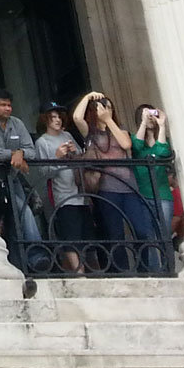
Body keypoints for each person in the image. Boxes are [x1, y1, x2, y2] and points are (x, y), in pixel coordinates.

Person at [75, 91, 154, 271]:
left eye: (109, 107)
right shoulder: (91, 133)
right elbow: (77, 117)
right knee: (115, 233)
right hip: (107, 189)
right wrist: (87, 97)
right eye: (103, 108)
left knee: (140, 230)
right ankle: (122, 271)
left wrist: (109, 120)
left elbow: (126, 144)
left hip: (129, 188)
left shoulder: (121, 129)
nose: (106, 111)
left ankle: (144, 269)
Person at [0, 88, 42, 260]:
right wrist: (13, 154)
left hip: (12, 177)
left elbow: (31, 151)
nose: (7, 109)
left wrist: (21, 153)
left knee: (22, 212)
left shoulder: (16, 123)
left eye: (9, 105)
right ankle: (36, 255)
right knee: (17, 212)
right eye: (3, 105)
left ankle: (32, 257)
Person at [33, 105, 87, 273]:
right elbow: (43, 172)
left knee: (85, 233)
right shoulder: (42, 142)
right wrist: (56, 157)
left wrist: (74, 151)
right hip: (61, 195)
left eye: (59, 117)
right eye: (53, 117)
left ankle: (93, 269)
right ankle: (79, 273)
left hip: (80, 192)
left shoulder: (68, 135)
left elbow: (81, 158)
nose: (57, 120)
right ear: (45, 119)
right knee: (69, 235)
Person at [130, 104, 174, 269]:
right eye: (145, 115)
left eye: (151, 114)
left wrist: (161, 125)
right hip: (143, 195)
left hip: (162, 194)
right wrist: (143, 123)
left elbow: (163, 151)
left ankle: (167, 268)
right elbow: (136, 146)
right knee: (149, 237)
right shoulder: (135, 139)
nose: (149, 118)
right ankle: (155, 271)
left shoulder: (162, 139)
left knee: (164, 234)